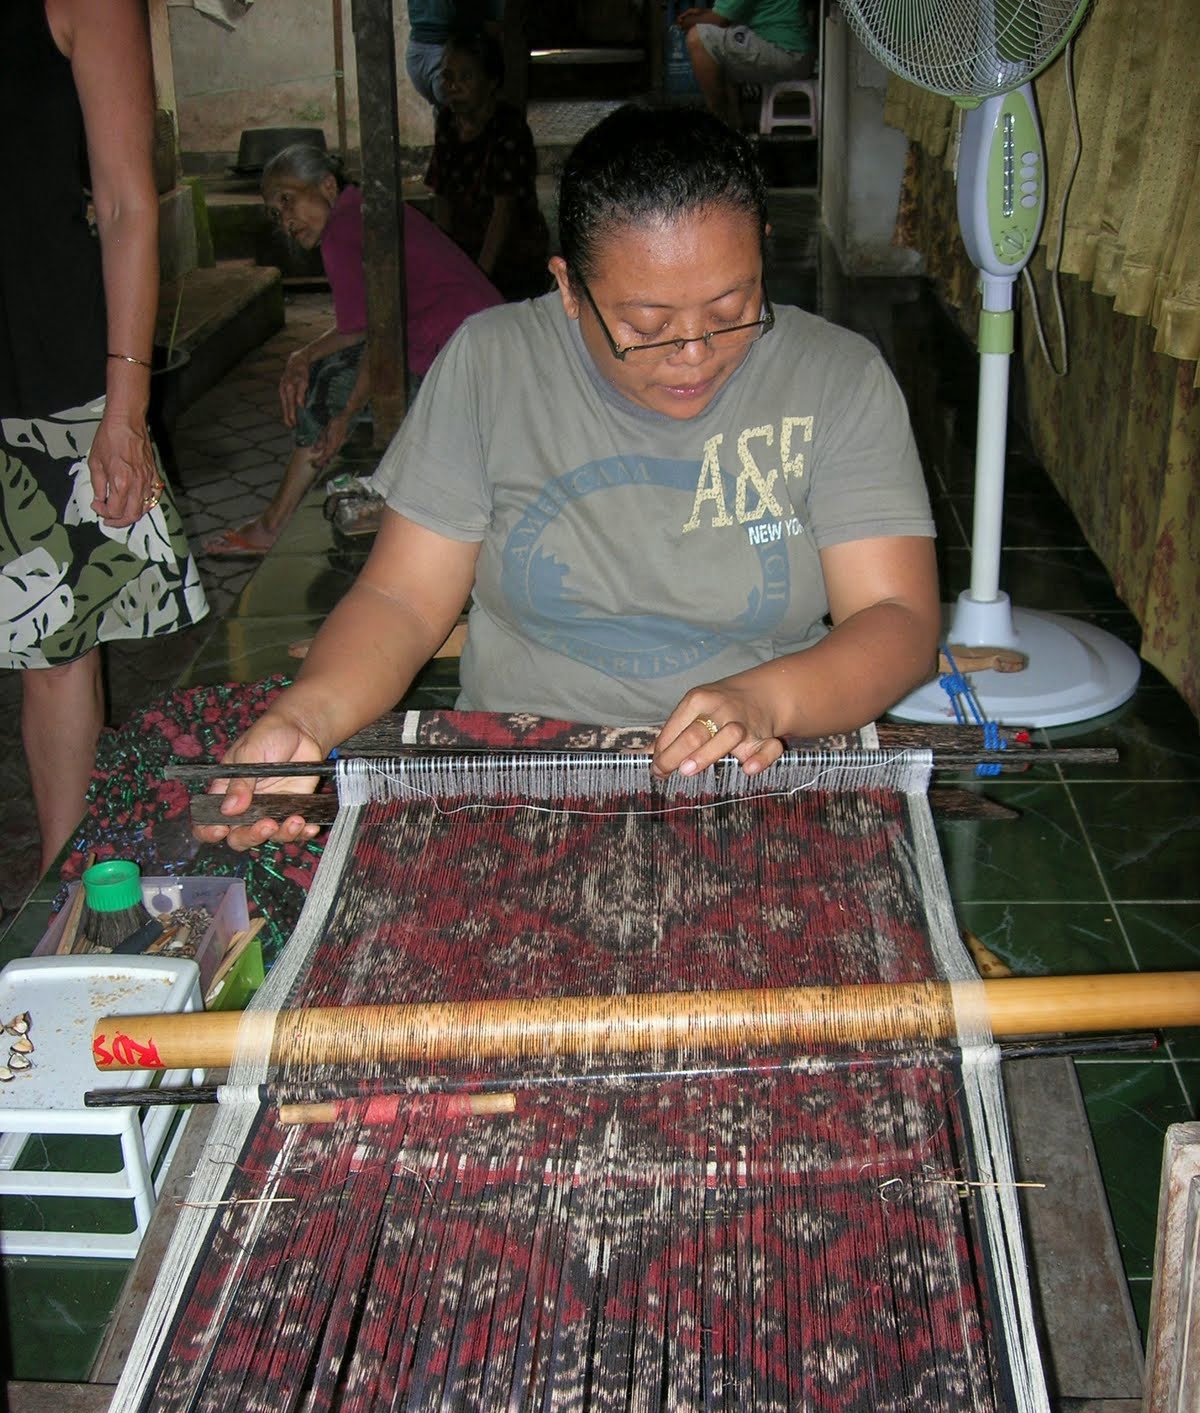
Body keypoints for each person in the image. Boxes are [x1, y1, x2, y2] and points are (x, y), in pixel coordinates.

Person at [199, 105, 939, 854]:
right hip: (517, 775)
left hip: (757, 768)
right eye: (646, 325)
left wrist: (767, 700)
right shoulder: (494, 364)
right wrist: (306, 719)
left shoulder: (838, 380)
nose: (694, 352)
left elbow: (896, 616)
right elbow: (402, 598)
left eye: (732, 307)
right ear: (568, 287)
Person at [0, 0, 209, 879]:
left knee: (54, 649)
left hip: (42, 361)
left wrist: (124, 410)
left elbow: (127, 203)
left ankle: (69, 887)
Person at [203, 145, 503, 559]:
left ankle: (274, 524)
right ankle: (283, 518)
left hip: (465, 365)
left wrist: (343, 414)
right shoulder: (358, 213)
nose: (286, 220)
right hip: (477, 348)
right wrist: (302, 355)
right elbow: (363, 325)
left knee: (327, 390)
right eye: (276, 212)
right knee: (326, 375)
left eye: (288, 200)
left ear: (326, 185)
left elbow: (373, 334)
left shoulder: (344, 228)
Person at [426, 28, 551, 301]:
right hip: (466, 248)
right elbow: (442, 195)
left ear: (491, 81)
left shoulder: (508, 128)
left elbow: (503, 213)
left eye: (466, 77)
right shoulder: (447, 123)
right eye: (447, 77)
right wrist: (445, 262)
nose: (453, 86)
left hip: (512, 255)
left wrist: (477, 280)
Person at [677, 3, 815, 128]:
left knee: (699, 36)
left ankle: (719, 125)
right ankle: (734, 125)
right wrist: (704, 14)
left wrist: (686, 21)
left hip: (786, 53)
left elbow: (720, 19)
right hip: (795, 54)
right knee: (718, 50)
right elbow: (732, 12)